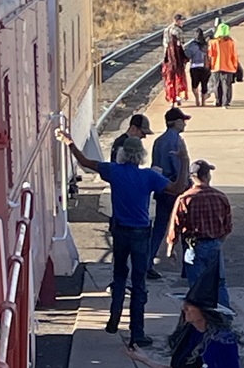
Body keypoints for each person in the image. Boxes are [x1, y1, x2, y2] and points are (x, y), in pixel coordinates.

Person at [58, 130, 176, 348]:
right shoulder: (149, 176)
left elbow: (85, 162)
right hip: (141, 233)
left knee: (120, 275)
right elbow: (177, 189)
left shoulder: (113, 171)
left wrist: (70, 143)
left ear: (122, 154)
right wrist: (185, 161)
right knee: (139, 283)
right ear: (141, 155)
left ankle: (114, 319)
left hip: (120, 232)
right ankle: (137, 333)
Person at [166, 158, 233, 310]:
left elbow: (175, 224)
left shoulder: (185, 198)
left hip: (193, 247)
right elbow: (227, 226)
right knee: (219, 283)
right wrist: (218, 241)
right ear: (207, 176)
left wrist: (171, 247)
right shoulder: (220, 197)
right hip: (214, 245)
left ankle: (201, 318)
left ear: (192, 177)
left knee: (197, 287)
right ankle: (223, 317)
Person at [148, 106, 191, 277]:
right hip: (175, 190)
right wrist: (187, 184)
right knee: (186, 227)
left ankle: (147, 262)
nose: (185, 125)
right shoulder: (177, 141)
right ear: (176, 122)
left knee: (159, 227)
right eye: (183, 121)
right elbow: (178, 167)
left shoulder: (159, 141)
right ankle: (188, 266)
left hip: (161, 188)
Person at [208, 22, 240, 108]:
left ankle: (218, 101)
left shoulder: (212, 43)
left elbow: (210, 55)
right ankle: (226, 103)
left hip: (216, 66)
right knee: (227, 85)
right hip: (228, 67)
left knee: (217, 84)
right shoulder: (231, 43)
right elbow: (234, 55)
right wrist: (235, 66)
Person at [162, 26, 189, 106]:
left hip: (169, 67)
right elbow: (183, 56)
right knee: (179, 81)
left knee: (170, 82)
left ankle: (171, 99)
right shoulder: (178, 46)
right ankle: (178, 97)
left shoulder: (167, 48)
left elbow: (165, 58)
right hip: (178, 66)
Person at [185, 28, 211, 106]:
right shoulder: (206, 44)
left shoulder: (192, 44)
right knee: (204, 84)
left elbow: (188, 55)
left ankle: (197, 100)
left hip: (194, 67)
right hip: (205, 67)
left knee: (194, 85)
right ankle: (203, 102)